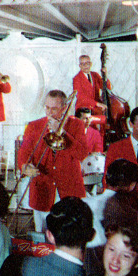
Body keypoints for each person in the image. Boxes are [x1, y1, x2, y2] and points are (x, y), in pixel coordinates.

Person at [18, 90, 88, 232]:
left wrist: (62, 133)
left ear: (64, 108)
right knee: (43, 236)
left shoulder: (77, 125)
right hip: (42, 192)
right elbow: (24, 154)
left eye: (54, 109)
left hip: (69, 194)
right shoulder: (34, 126)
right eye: (47, 107)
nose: (49, 113)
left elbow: (82, 154)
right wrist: (25, 167)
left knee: (69, 236)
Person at [73, 54, 109, 136]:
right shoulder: (76, 79)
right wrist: (97, 103)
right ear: (79, 66)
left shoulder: (95, 75)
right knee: (88, 132)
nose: (86, 66)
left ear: (91, 64)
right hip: (83, 110)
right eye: (83, 64)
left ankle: (101, 141)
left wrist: (105, 76)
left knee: (102, 124)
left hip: (96, 109)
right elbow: (81, 97)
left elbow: (106, 87)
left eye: (87, 63)